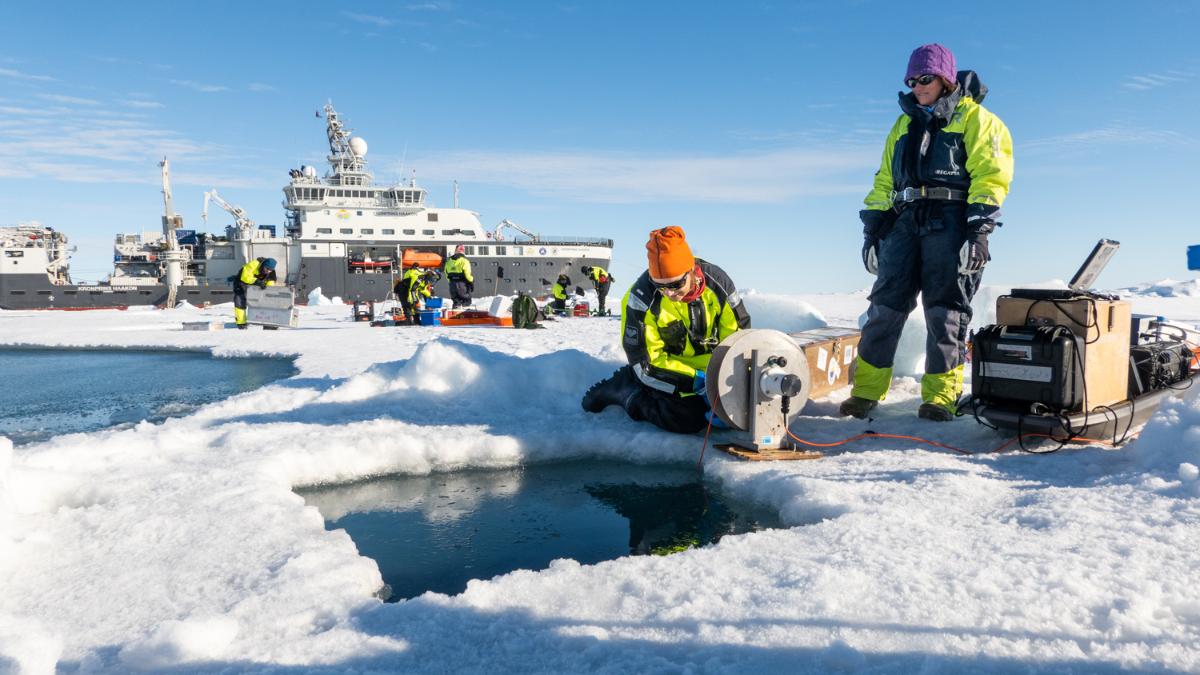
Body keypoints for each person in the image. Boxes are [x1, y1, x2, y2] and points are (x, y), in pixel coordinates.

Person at [840, 43, 1014, 422]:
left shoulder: (977, 120)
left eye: (925, 78)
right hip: (905, 220)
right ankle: (866, 392)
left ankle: (939, 397)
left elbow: (992, 175)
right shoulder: (903, 124)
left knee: (945, 311)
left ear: (945, 79)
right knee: (884, 307)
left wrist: (979, 231)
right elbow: (885, 178)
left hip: (951, 220)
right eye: (911, 79)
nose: (917, 86)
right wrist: (873, 230)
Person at [582, 226, 750, 433]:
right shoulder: (640, 300)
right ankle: (628, 392)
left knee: (749, 410)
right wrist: (696, 381)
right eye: (660, 286)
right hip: (670, 373)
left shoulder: (718, 284)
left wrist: (724, 381)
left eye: (676, 284)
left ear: (692, 271)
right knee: (687, 419)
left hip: (716, 371)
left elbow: (739, 338)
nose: (669, 293)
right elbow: (645, 364)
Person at [230, 257, 276, 329]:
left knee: (263, 301)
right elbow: (245, 277)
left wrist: (267, 290)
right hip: (241, 282)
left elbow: (271, 281)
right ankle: (241, 323)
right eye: (267, 269)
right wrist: (257, 281)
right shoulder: (253, 264)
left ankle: (266, 322)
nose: (268, 271)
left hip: (256, 284)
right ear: (263, 265)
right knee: (240, 301)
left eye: (270, 270)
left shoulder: (271, 270)